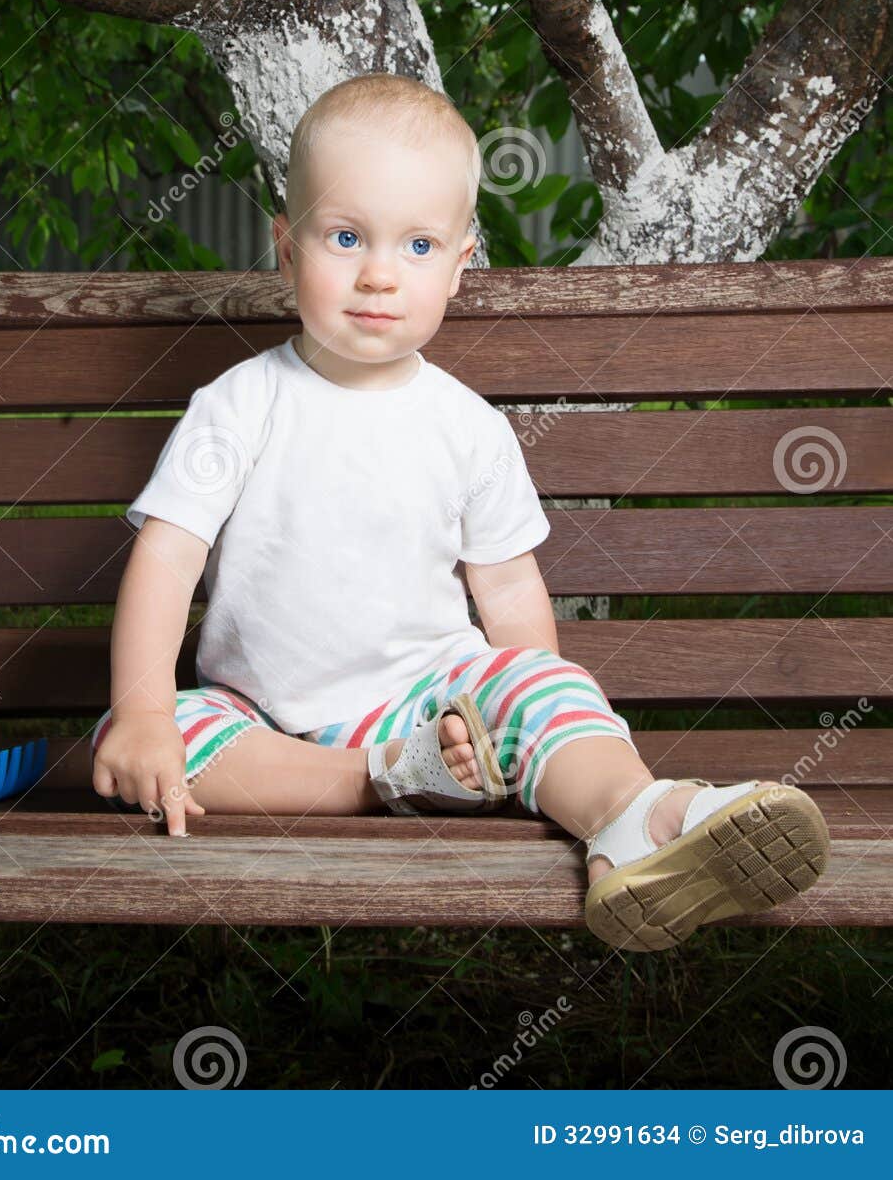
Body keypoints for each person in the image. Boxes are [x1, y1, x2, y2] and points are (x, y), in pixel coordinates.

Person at [90, 73, 829, 951]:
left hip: (438, 705)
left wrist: (521, 716)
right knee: (157, 730)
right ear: (286, 249)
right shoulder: (239, 406)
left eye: (417, 245)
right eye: (345, 237)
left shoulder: (468, 427)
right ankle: (382, 778)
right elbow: (167, 559)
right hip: (269, 719)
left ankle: (637, 816)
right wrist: (143, 716)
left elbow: (508, 590)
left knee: (543, 686)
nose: (377, 274)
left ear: (458, 265)